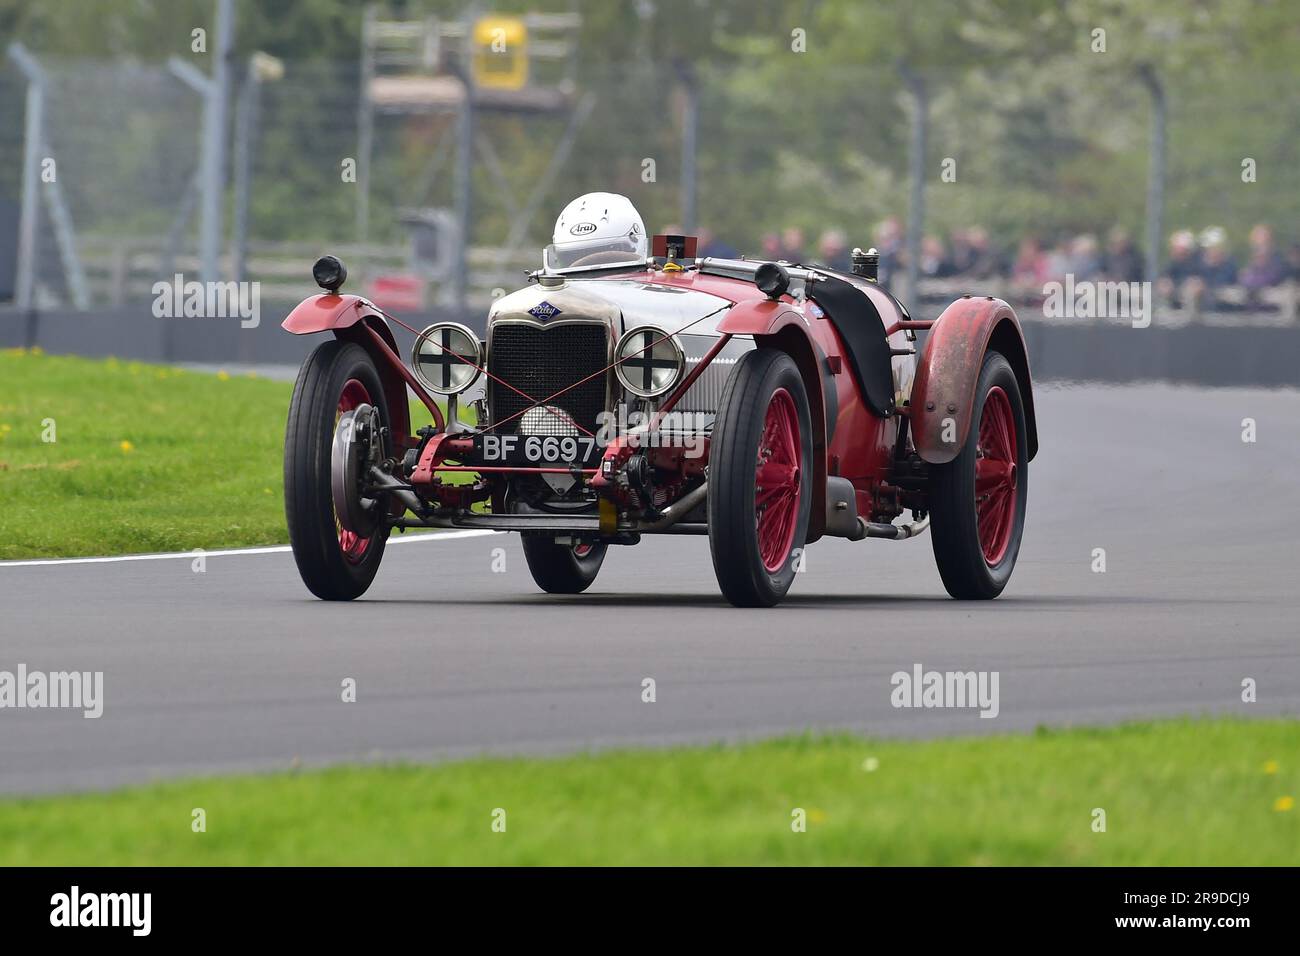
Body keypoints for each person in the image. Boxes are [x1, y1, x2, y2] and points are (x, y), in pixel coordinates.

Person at [542, 192, 648, 274]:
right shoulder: (555, 298)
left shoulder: (652, 291)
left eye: (608, 258)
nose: (586, 270)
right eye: (571, 257)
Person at [1239, 224, 1287, 309]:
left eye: (1264, 239)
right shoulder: (1246, 264)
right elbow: (1244, 282)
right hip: (1247, 313)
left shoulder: (1280, 263)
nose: (1260, 242)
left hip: (1273, 312)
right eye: (1257, 238)